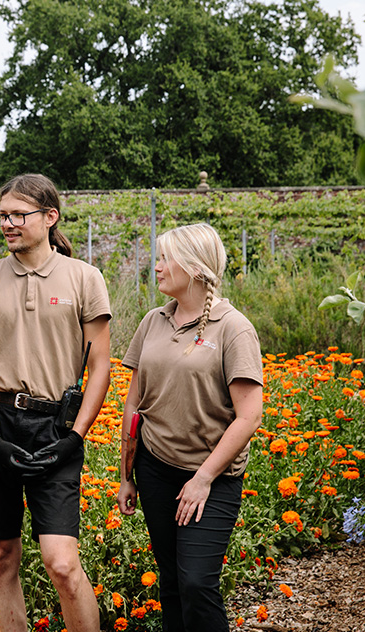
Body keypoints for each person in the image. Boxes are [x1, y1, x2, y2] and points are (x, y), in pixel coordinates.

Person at [0, 173, 111, 632]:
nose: (7, 224)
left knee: (61, 562)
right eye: (2, 215)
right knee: (0, 557)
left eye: (18, 215)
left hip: (56, 429)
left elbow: (100, 366)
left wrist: (75, 436)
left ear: (49, 217)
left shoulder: (84, 278)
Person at [115, 223, 264, 631]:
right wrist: (126, 474)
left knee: (198, 583)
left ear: (196, 267)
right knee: (172, 583)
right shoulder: (153, 322)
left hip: (210, 478)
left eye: (165, 258)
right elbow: (134, 402)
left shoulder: (233, 328)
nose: (157, 267)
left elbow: (249, 416)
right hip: (155, 468)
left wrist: (202, 479)